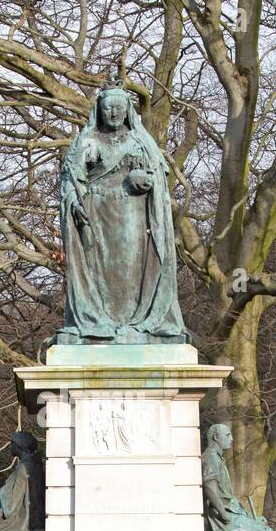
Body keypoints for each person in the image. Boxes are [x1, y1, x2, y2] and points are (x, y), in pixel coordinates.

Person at [56, 76, 188, 344]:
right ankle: (100, 323)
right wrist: (74, 200)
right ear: (99, 111)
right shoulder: (90, 141)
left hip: (134, 217)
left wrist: (146, 181)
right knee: (98, 271)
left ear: (128, 109)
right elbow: (71, 178)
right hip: (96, 216)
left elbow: (158, 178)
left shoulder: (141, 141)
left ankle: (135, 324)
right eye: (108, 108)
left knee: (131, 273)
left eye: (119, 107)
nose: (114, 113)